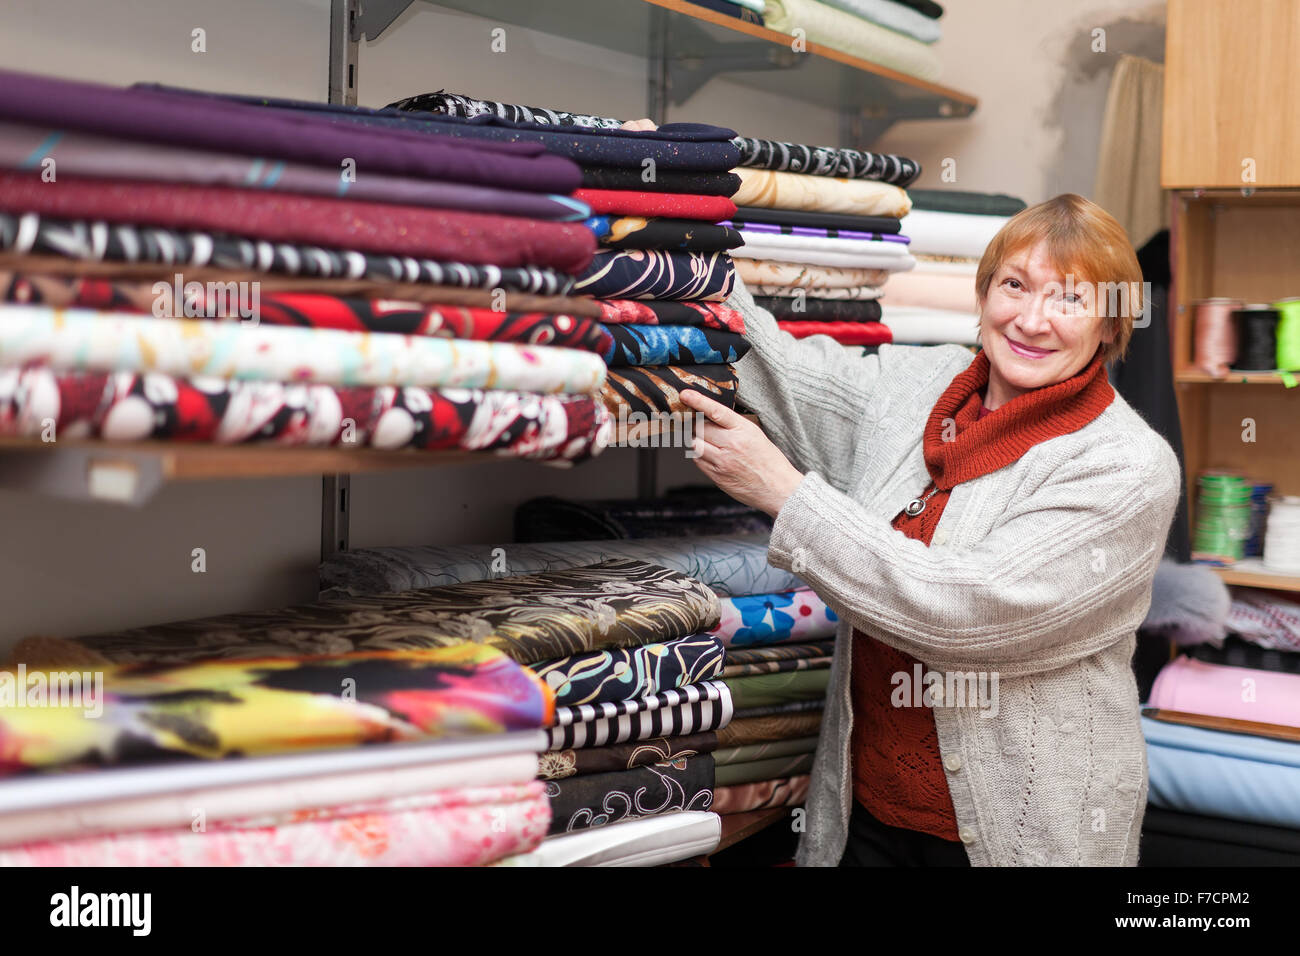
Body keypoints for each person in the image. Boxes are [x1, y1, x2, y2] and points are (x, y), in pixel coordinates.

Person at [681, 193, 1180, 866]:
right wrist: (680, 217)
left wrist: (785, 495)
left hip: (1024, 840)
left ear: (1110, 324)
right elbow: (783, 374)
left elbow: (966, 612)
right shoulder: (917, 384)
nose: (1031, 319)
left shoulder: (1127, 467)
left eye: (1069, 299)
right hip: (868, 815)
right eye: (1014, 285)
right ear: (984, 294)